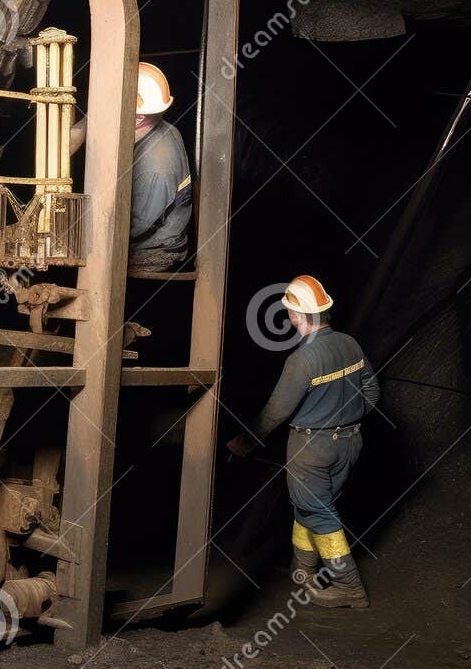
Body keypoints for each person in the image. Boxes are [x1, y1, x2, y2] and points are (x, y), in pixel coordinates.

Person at [227, 275, 380, 608]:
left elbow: (275, 412)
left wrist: (245, 442)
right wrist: (347, 419)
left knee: (320, 513)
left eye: (291, 314)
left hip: (311, 449)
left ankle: (349, 586)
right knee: (310, 506)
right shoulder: (350, 344)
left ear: (298, 317)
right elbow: (372, 392)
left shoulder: (301, 360)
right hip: (349, 444)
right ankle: (303, 570)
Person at [129, 62, 193, 271]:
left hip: (156, 252)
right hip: (162, 233)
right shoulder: (165, 128)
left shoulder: (155, 165)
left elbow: (134, 225)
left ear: (139, 117)